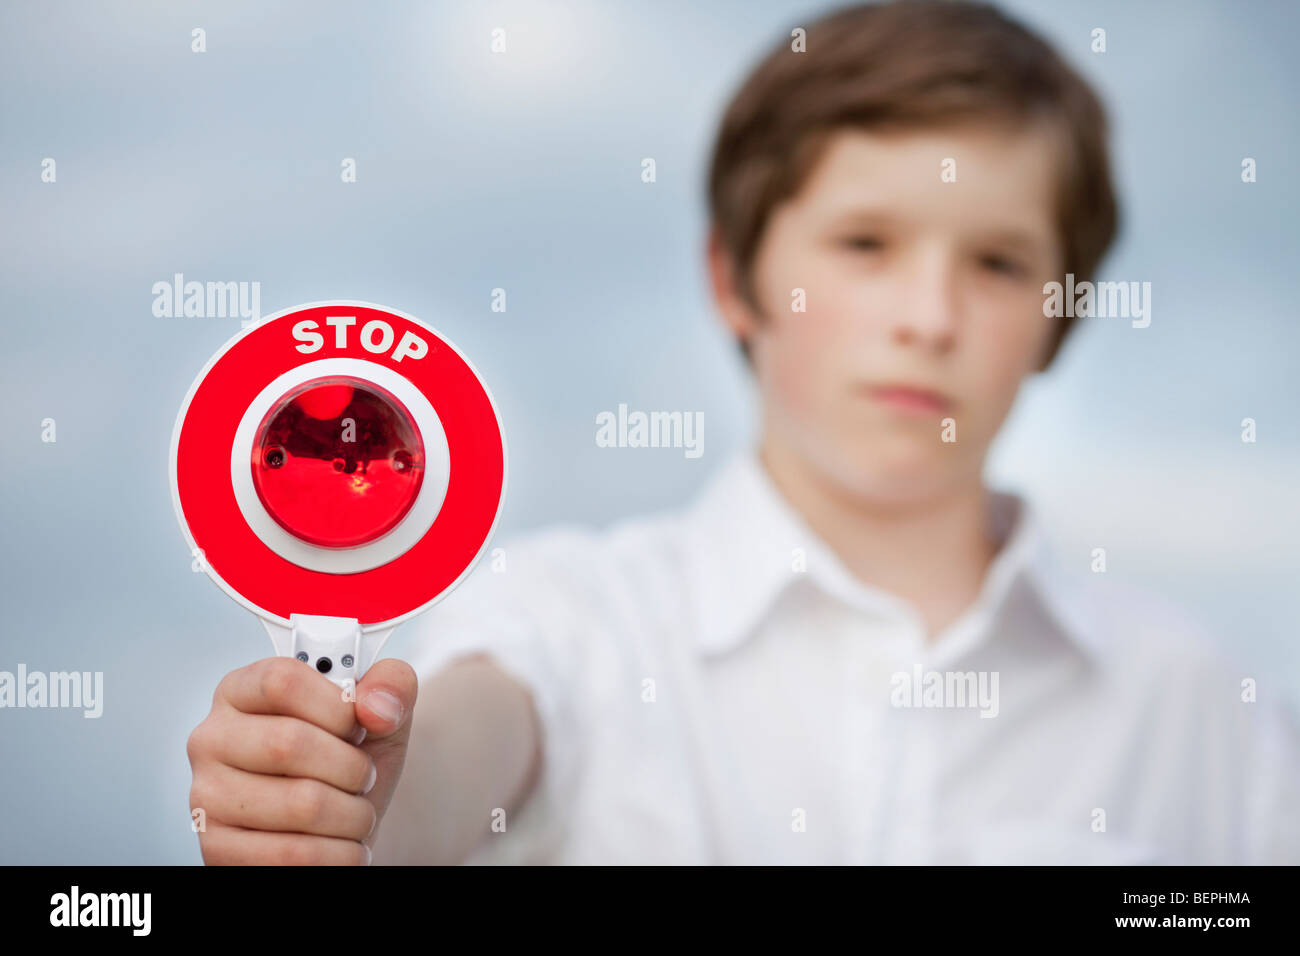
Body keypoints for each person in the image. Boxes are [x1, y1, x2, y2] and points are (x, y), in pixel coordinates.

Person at [186, 0, 1299, 865]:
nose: (928, 316)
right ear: (734, 276)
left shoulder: (1196, 704)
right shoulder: (575, 618)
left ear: (1060, 315)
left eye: (999, 263)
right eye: (865, 242)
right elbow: (456, 758)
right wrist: (354, 799)